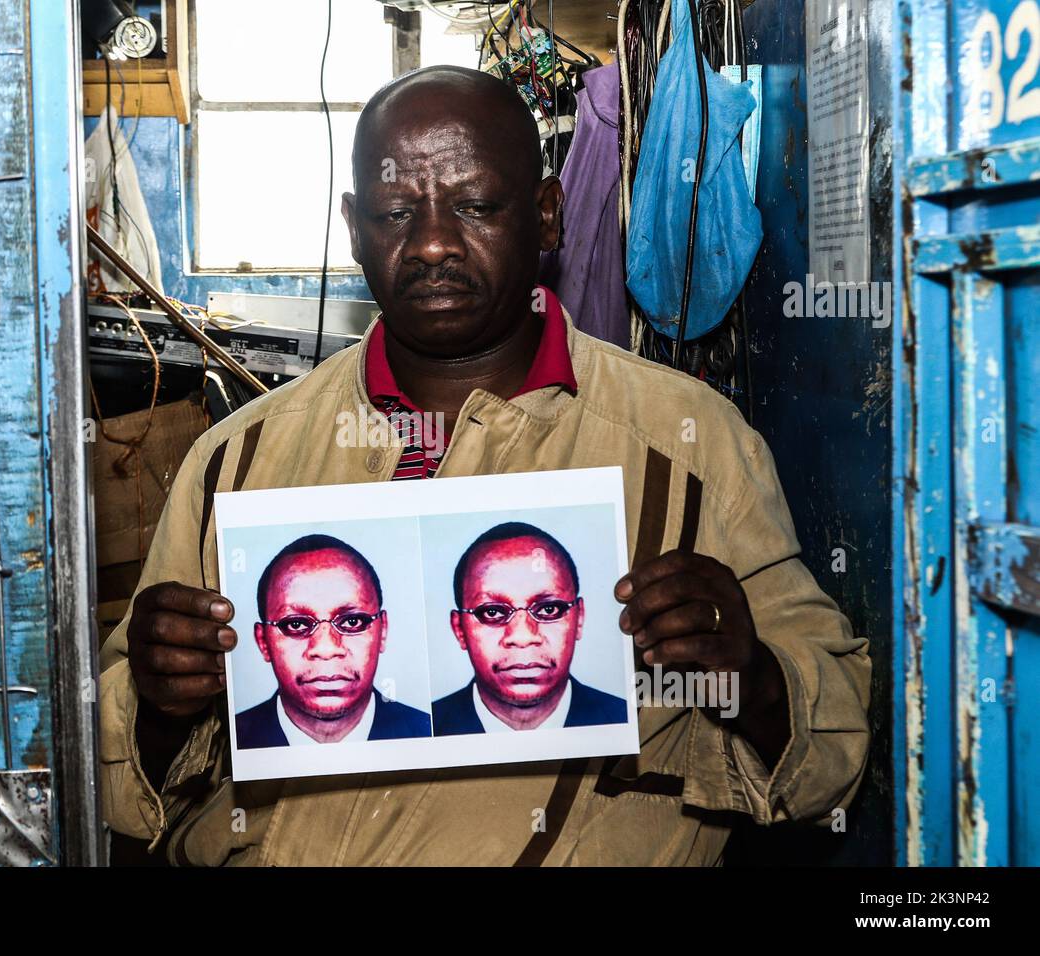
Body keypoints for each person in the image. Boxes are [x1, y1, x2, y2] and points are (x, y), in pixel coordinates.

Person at [99, 65, 871, 866]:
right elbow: (121, 796)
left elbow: (832, 764)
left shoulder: (689, 444)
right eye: (397, 213)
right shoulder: (238, 461)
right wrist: (159, 707)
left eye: (475, 206)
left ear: (546, 217)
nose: (432, 243)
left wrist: (750, 674)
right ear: (355, 228)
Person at [236, 534, 430, 748]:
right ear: (263, 641)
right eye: (296, 624)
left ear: (382, 631)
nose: (326, 649)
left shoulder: (428, 734)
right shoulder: (230, 746)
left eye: (352, 621)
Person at [432, 522, 627, 735]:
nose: (523, 636)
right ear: (459, 629)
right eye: (492, 612)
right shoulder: (426, 731)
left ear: (579, 619)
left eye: (549, 609)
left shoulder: (624, 721)